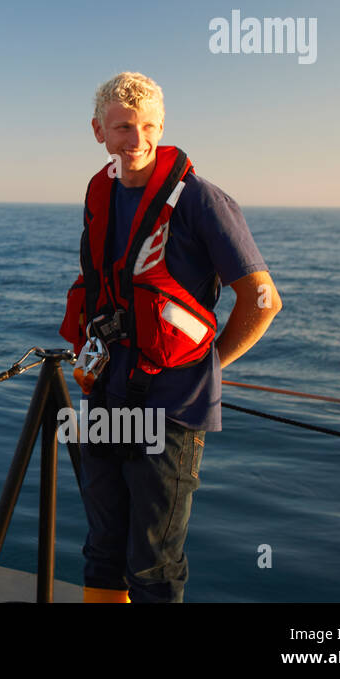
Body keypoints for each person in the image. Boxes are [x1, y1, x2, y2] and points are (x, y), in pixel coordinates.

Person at [59, 71, 281, 603]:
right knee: (103, 548)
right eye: (123, 128)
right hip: (106, 395)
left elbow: (263, 300)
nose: (137, 141)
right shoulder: (100, 195)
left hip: (172, 407)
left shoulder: (202, 200)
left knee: (154, 565)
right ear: (99, 132)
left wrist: (208, 365)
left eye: (149, 127)